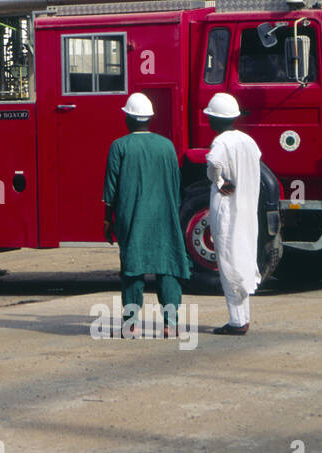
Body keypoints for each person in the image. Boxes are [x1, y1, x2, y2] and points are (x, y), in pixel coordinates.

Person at [103, 93, 191, 337]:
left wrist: (107, 219)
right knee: (168, 267)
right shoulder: (167, 146)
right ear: (150, 118)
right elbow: (176, 186)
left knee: (132, 269)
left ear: (128, 118)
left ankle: (131, 323)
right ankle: (170, 323)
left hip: (132, 217)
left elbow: (111, 189)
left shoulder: (119, 146)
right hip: (165, 217)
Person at [203, 92, 262, 335]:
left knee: (228, 261)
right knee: (244, 258)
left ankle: (237, 321)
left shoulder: (221, 142)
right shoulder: (248, 141)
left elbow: (215, 163)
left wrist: (218, 181)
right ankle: (243, 317)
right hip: (247, 208)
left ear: (215, 119)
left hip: (228, 209)